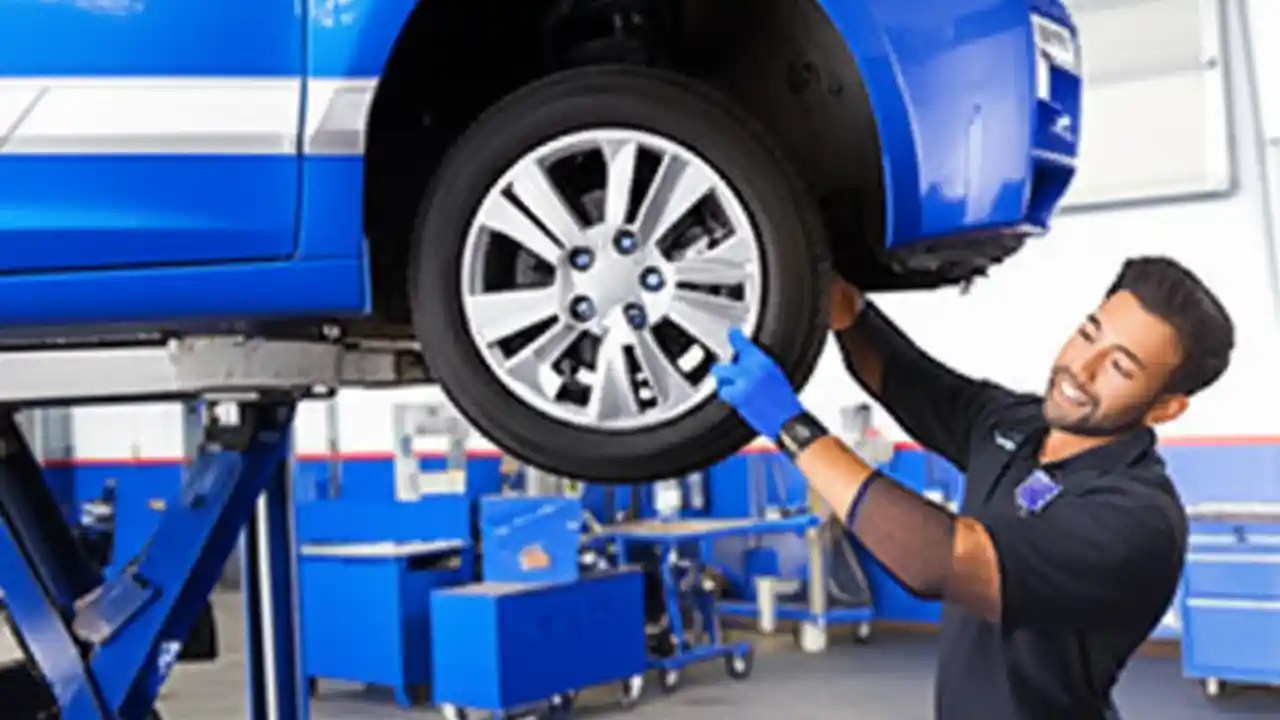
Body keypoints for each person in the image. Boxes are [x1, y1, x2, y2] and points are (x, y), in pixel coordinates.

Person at [710, 256, 1235, 720]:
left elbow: (936, 561)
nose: (1082, 368)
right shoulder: (1017, 425)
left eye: (1120, 366)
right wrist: (834, 291)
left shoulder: (1136, 519)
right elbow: (903, 377)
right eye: (1089, 333)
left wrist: (789, 425)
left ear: (1165, 407)